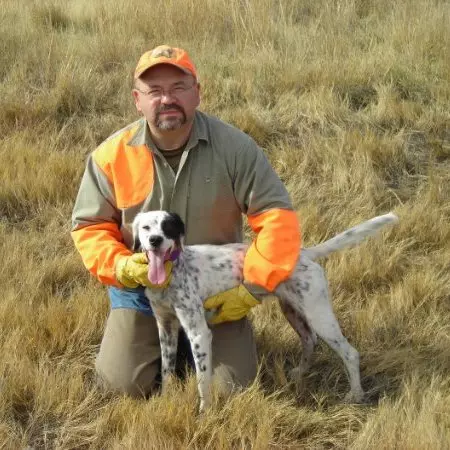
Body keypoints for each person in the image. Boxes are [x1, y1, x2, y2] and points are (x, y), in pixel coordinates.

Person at [71, 45, 301, 398]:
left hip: (215, 290)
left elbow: (278, 222)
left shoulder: (236, 149)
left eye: (179, 87)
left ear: (198, 92)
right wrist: (121, 267)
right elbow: (90, 228)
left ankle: (202, 341)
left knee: (232, 393)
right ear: (137, 99)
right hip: (141, 290)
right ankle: (162, 340)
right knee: (121, 387)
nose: (167, 99)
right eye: (154, 91)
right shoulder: (110, 156)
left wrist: (253, 287)